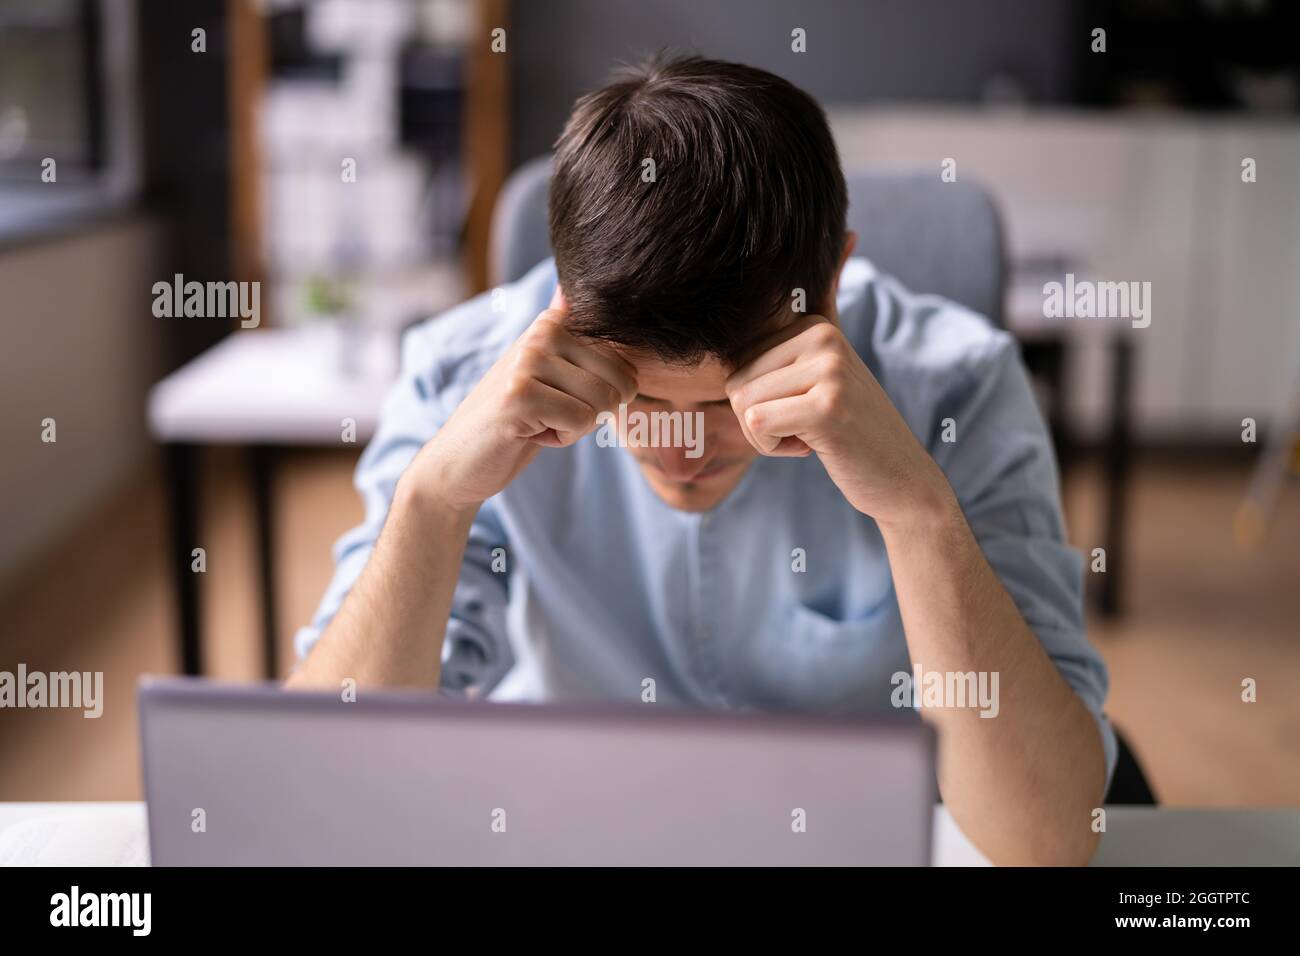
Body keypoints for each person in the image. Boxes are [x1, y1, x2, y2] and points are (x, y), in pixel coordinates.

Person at [289, 55, 1115, 865]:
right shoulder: (457, 378)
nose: (680, 457)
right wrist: (431, 501)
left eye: (727, 406)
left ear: (831, 281)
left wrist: (920, 516)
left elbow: (1044, 842)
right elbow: (326, 797)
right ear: (566, 303)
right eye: (639, 402)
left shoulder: (959, 386)